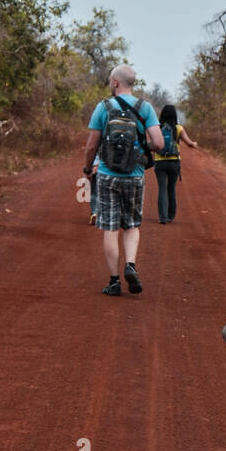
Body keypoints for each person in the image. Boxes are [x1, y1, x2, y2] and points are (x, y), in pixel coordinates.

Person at [82, 64, 164, 296]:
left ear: (116, 83)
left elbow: (91, 145)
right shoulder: (145, 107)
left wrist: (88, 168)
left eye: (110, 80)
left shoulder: (104, 107)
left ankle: (114, 281)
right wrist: (138, 149)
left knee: (110, 228)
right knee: (131, 225)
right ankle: (130, 264)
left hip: (107, 175)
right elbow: (159, 143)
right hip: (135, 175)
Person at [153, 104, 198, 224]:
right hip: (174, 162)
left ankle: (162, 217)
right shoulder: (178, 128)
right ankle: (171, 216)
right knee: (171, 189)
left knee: (162, 188)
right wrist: (194, 144)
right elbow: (189, 143)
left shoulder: (157, 127)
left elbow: (153, 144)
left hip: (159, 162)